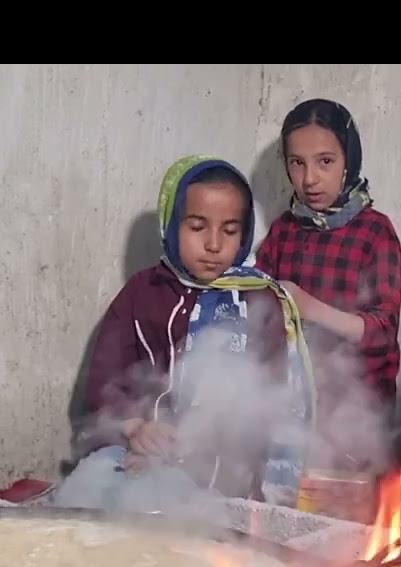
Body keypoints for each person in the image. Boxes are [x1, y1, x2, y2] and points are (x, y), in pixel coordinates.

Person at [58, 155, 315, 511]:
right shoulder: (144, 293)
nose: (214, 244)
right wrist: (135, 429)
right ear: (172, 223)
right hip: (136, 448)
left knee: (179, 513)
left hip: (223, 471)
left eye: (230, 230)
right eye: (197, 227)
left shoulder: (258, 301)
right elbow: (105, 377)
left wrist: (199, 442)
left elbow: (273, 398)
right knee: (90, 491)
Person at [255, 99, 401, 471]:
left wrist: (308, 308)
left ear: (349, 161)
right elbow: (257, 316)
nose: (309, 179)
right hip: (289, 410)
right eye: (297, 163)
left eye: (325, 161)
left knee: (339, 502)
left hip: (358, 415)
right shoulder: (284, 230)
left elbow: (382, 333)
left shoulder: (375, 232)